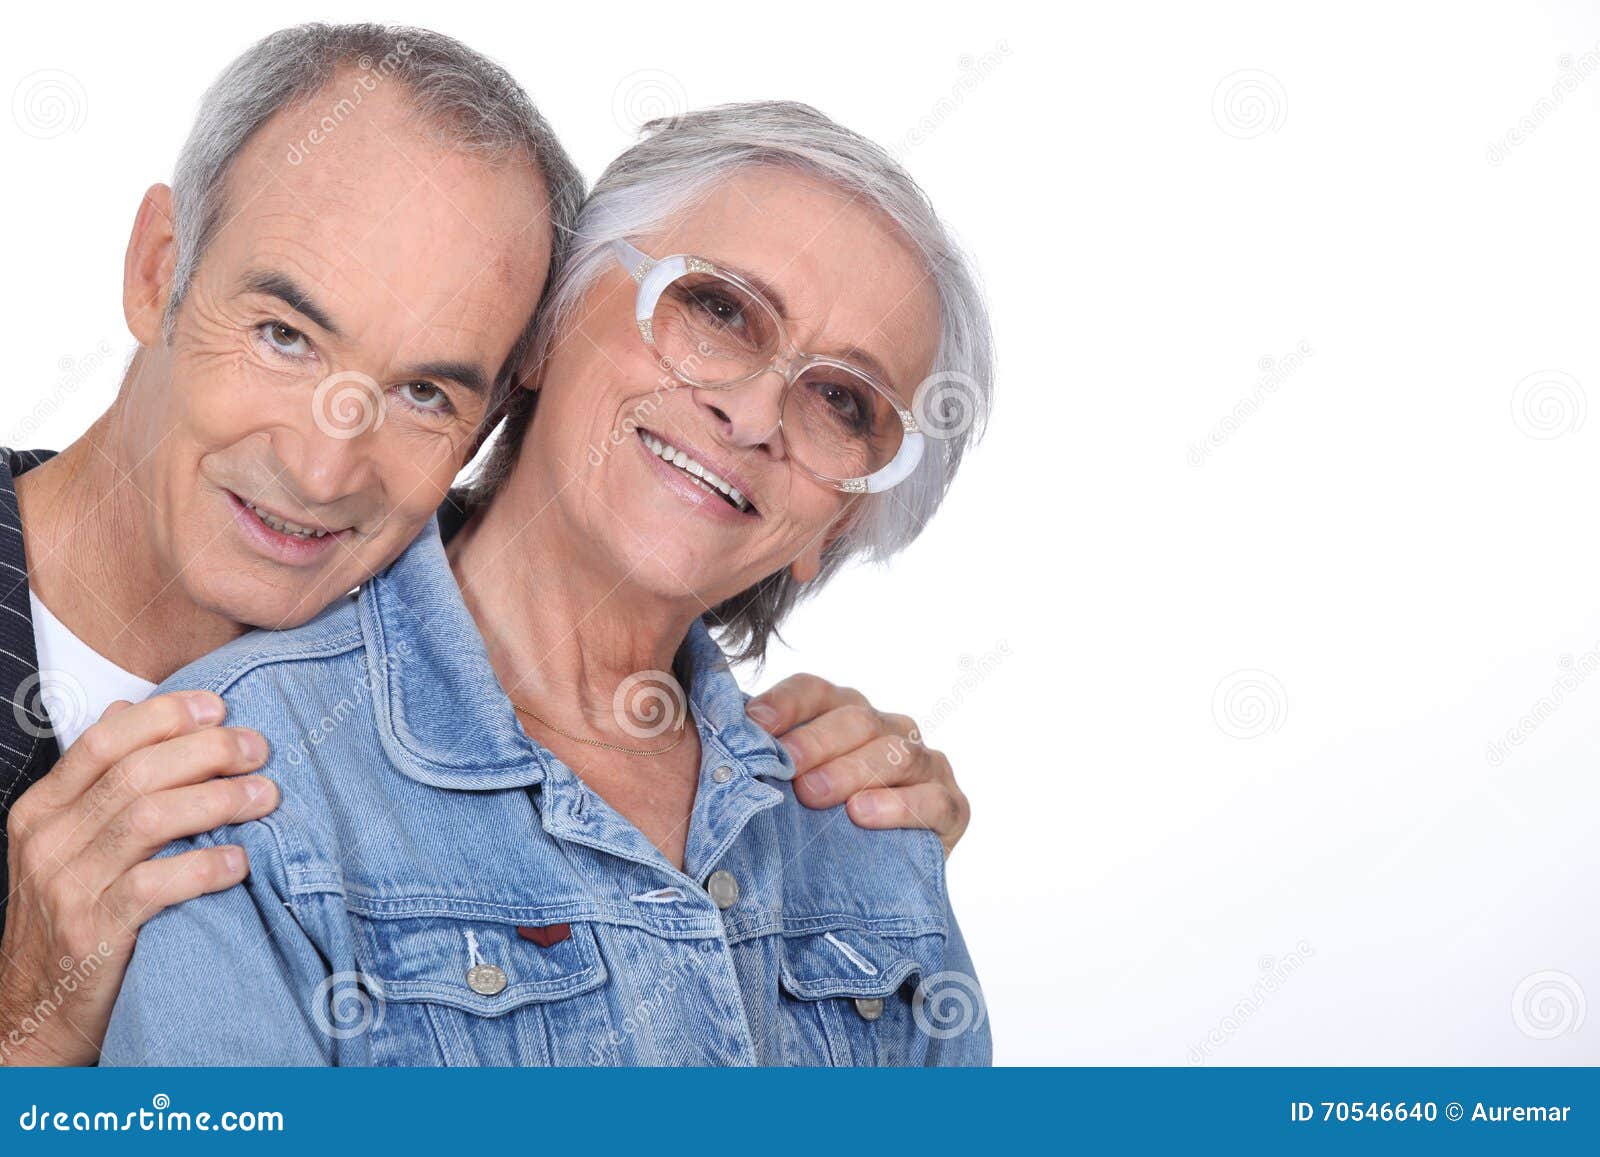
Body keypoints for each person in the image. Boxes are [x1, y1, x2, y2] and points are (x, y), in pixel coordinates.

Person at [0, 25, 970, 1067]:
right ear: (159, 270)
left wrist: (855, 853)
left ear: (512, 389)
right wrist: (29, 1026)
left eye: (426, 392)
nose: (325, 468)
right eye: (286, 335)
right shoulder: (261, 787)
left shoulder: (803, 793)